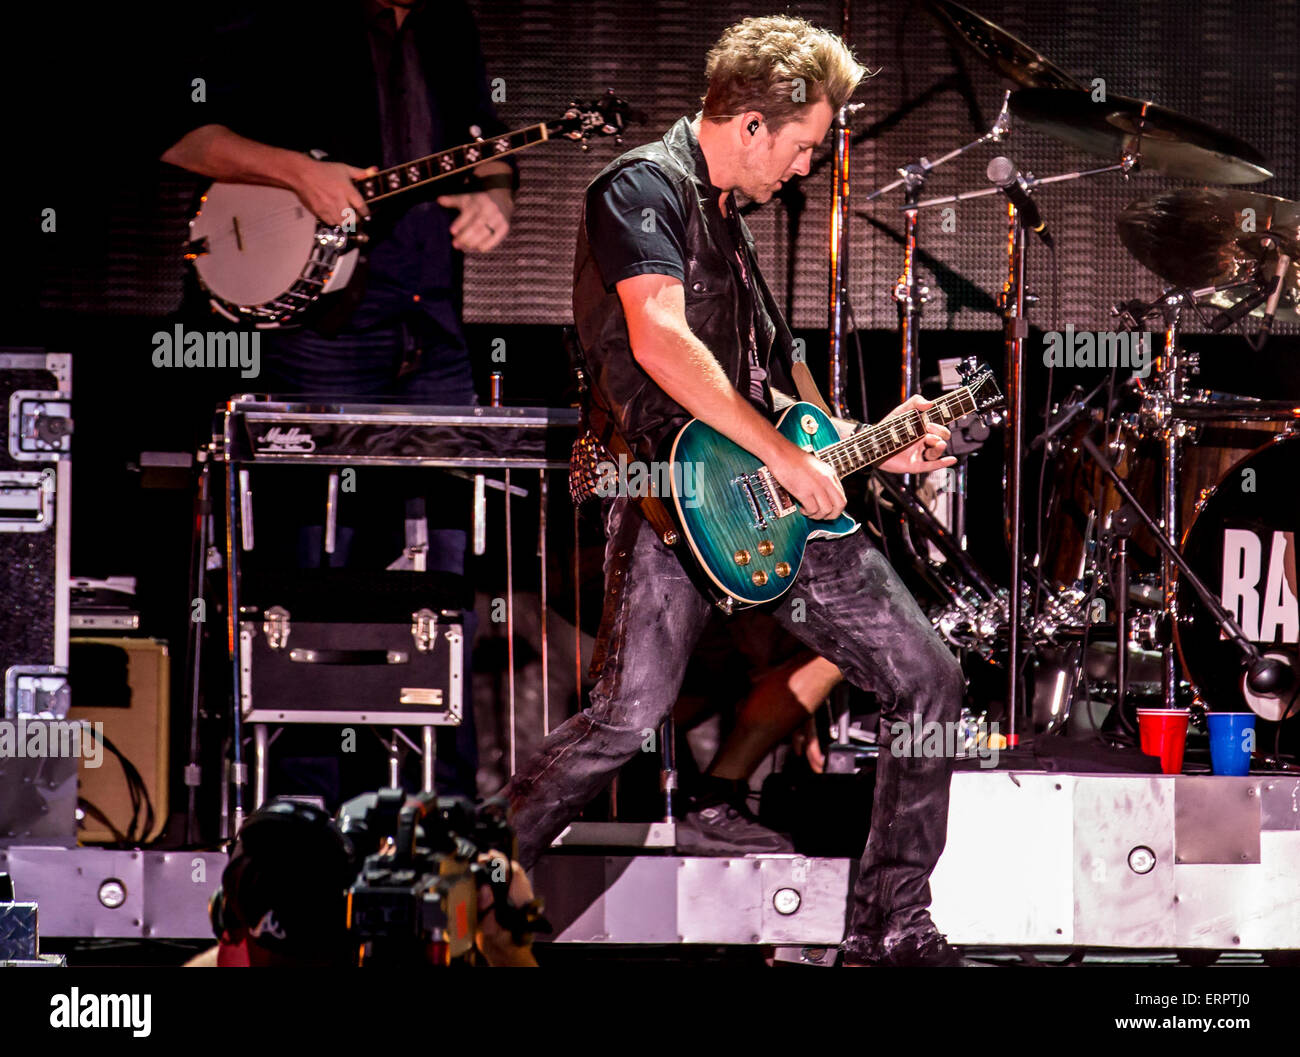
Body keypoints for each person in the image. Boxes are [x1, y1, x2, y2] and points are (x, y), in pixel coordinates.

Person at [506, 14, 968, 967]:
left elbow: (783, 396)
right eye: (802, 147)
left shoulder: (732, 225)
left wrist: (871, 450)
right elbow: (661, 340)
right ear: (752, 124)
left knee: (928, 675)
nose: (803, 168)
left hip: (775, 503)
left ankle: (892, 924)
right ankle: (447, 882)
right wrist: (790, 459)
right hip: (676, 499)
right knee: (624, 720)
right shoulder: (641, 187)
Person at [160, 0, 514, 800]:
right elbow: (182, 135)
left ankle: (433, 800)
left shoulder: (447, 23)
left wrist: (496, 198)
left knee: (445, 561)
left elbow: (487, 149)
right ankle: (301, 805)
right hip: (323, 321)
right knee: (314, 557)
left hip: (430, 317)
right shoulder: (285, 18)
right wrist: (298, 171)